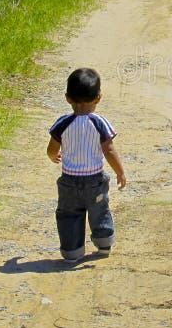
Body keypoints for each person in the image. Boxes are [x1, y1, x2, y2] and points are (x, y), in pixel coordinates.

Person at [47, 68, 126, 262]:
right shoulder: (99, 123)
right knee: (99, 211)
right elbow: (109, 150)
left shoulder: (62, 123)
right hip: (95, 181)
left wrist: (53, 156)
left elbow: (52, 148)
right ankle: (104, 244)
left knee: (69, 215)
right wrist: (120, 172)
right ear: (98, 97)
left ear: (67, 98)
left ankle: (72, 252)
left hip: (68, 182)